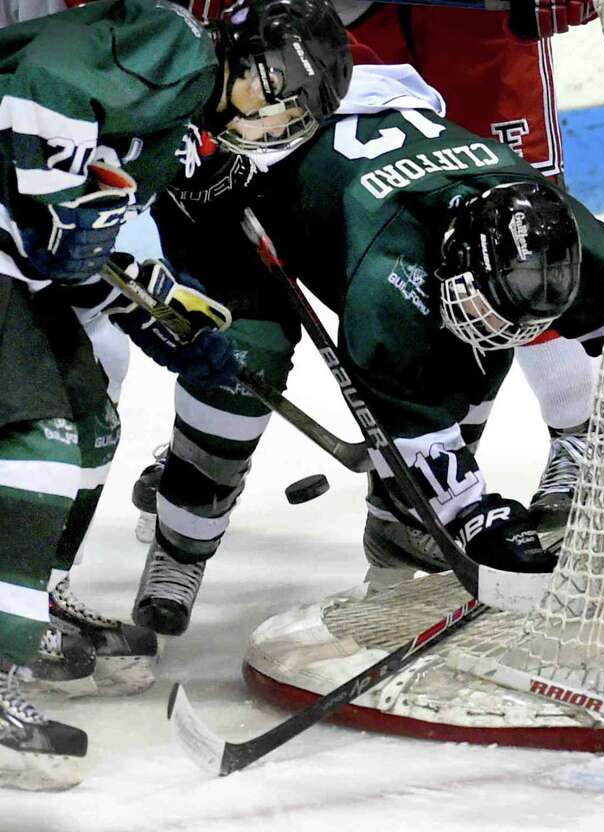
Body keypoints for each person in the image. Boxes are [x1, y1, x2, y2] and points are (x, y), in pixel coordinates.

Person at [131, 63, 604, 637]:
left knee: (471, 346)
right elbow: (407, 415)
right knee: (245, 358)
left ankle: (401, 526)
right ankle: (179, 549)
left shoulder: (573, 238)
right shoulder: (387, 281)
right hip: (239, 182)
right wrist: (472, 515)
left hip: (363, 149)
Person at [0, 0, 352, 791]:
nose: (279, 123)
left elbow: (84, 252)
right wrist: (56, 206)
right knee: (36, 440)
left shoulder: (178, 123)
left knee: (91, 424)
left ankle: (34, 603)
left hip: (11, 263)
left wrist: (168, 324)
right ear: (258, 64)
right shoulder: (180, 51)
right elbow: (45, 82)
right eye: (285, 99)